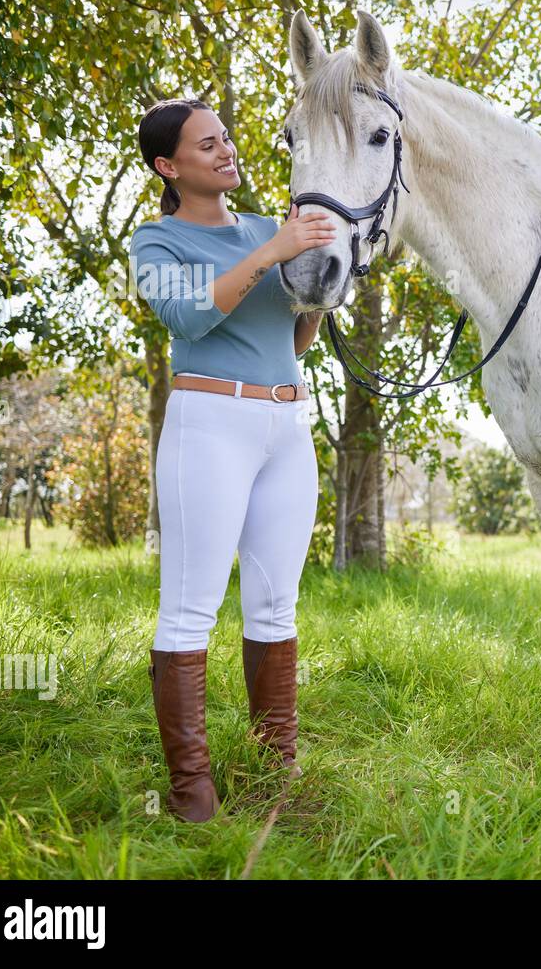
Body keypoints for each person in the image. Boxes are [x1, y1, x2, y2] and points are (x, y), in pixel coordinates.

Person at [130, 97, 335, 822]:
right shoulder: (155, 242)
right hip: (209, 422)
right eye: (206, 144)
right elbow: (189, 316)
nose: (226, 151)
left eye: (226, 139)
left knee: (276, 603)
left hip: (286, 422)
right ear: (168, 165)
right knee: (189, 610)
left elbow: (297, 339)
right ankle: (192, 792)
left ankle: (275, 769)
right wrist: (274, 252)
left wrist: (318, 276)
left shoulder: (260, 229)